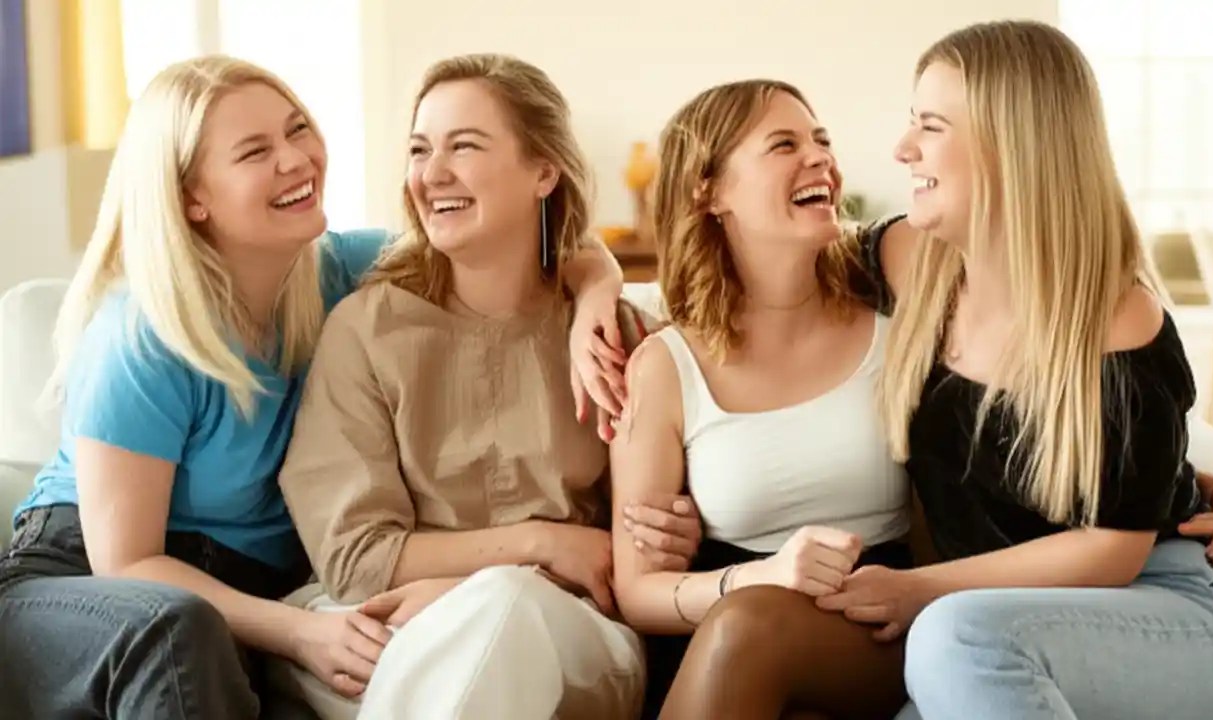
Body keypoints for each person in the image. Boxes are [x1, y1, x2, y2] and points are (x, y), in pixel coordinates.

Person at [0, 54, 625, 719]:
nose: (295, 159)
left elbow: (519, 240)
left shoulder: (341, 270)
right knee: (180, 632)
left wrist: (597, 297)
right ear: (192, 197)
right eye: (255, 152)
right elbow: (126, 566)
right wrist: (298, 632)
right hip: (86, 586)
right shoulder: (144, 333)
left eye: (297, 130)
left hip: (239, 598)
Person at [816, 20, 1213, 719]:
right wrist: (595, 283)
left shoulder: (1115, 318)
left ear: (1010, 147)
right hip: (996, 633)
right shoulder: (910, 260)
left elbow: (1113, 551)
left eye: (930, 126)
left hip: (1154, 617)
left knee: (953, 641)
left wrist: (922, 589)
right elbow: (755, 264)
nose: (903, 150)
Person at [274, 53, 657, 720]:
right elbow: (357, 558)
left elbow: (647, 547)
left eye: (465, 146)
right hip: (388, 622)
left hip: (566, 630)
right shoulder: (365, 330)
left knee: (505, 613)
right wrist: (541, 543)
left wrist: (486, 587)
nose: (431, 174)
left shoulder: (614, 336)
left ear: (544, 170)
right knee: (482, 621)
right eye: (420, 150)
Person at [610, 79, 912, 720]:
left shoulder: (896, 329)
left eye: (822, 141)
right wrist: (760, 577)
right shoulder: (665, 367)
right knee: (746, 627)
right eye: (784, 144)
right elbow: (638, 592)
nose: (820, 159)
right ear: (710, 191)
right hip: (726, 633)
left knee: (747, 630)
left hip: (880, 628)